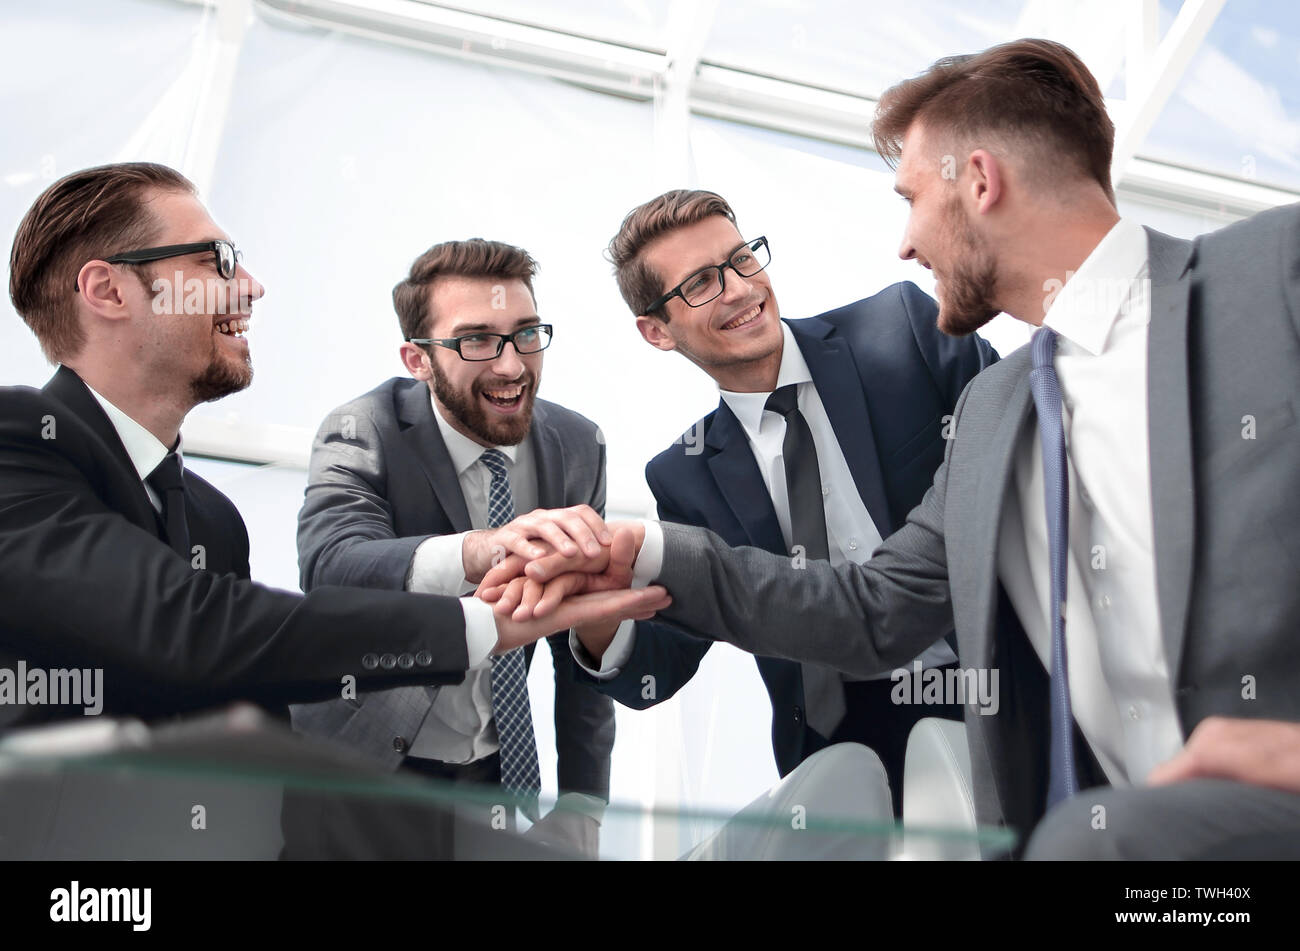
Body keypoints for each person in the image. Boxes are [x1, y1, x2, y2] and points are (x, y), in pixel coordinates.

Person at [481, 40, 1300, 859]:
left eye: (910, 199)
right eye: (701, 283)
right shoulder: (997, 411)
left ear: (980, 182)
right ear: (656, 329)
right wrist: (646, 555)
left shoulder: (1270, 274)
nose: (905, 242)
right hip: (1051, 809)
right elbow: (872, 609)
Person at [0, 162, 664, 792]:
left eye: (525, 335)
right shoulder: (17, 441)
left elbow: (249, 720)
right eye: (218, 261)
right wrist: (481, 620)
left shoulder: (211, 519)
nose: (252, 287)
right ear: (108, 290)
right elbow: (195, 623)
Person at [568, 190, 995, 813]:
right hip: (840, 738)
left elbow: (1023, 452)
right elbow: (666, 656)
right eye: (701, 284)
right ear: (656, 331)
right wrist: (599, 619)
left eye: (742, 259)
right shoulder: (684, 476)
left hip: (991, 685)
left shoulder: (898, 329)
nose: (739, 289)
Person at [293, 238, 617, 855]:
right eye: (477, 341)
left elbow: (583, 629)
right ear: (417, 359)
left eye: (525, 334)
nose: (511, 366)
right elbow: (332, 565)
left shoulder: (579, 446)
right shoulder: (363, 428)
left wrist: (583, 803)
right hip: (359, 769)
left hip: (493, 778)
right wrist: (481, 549)